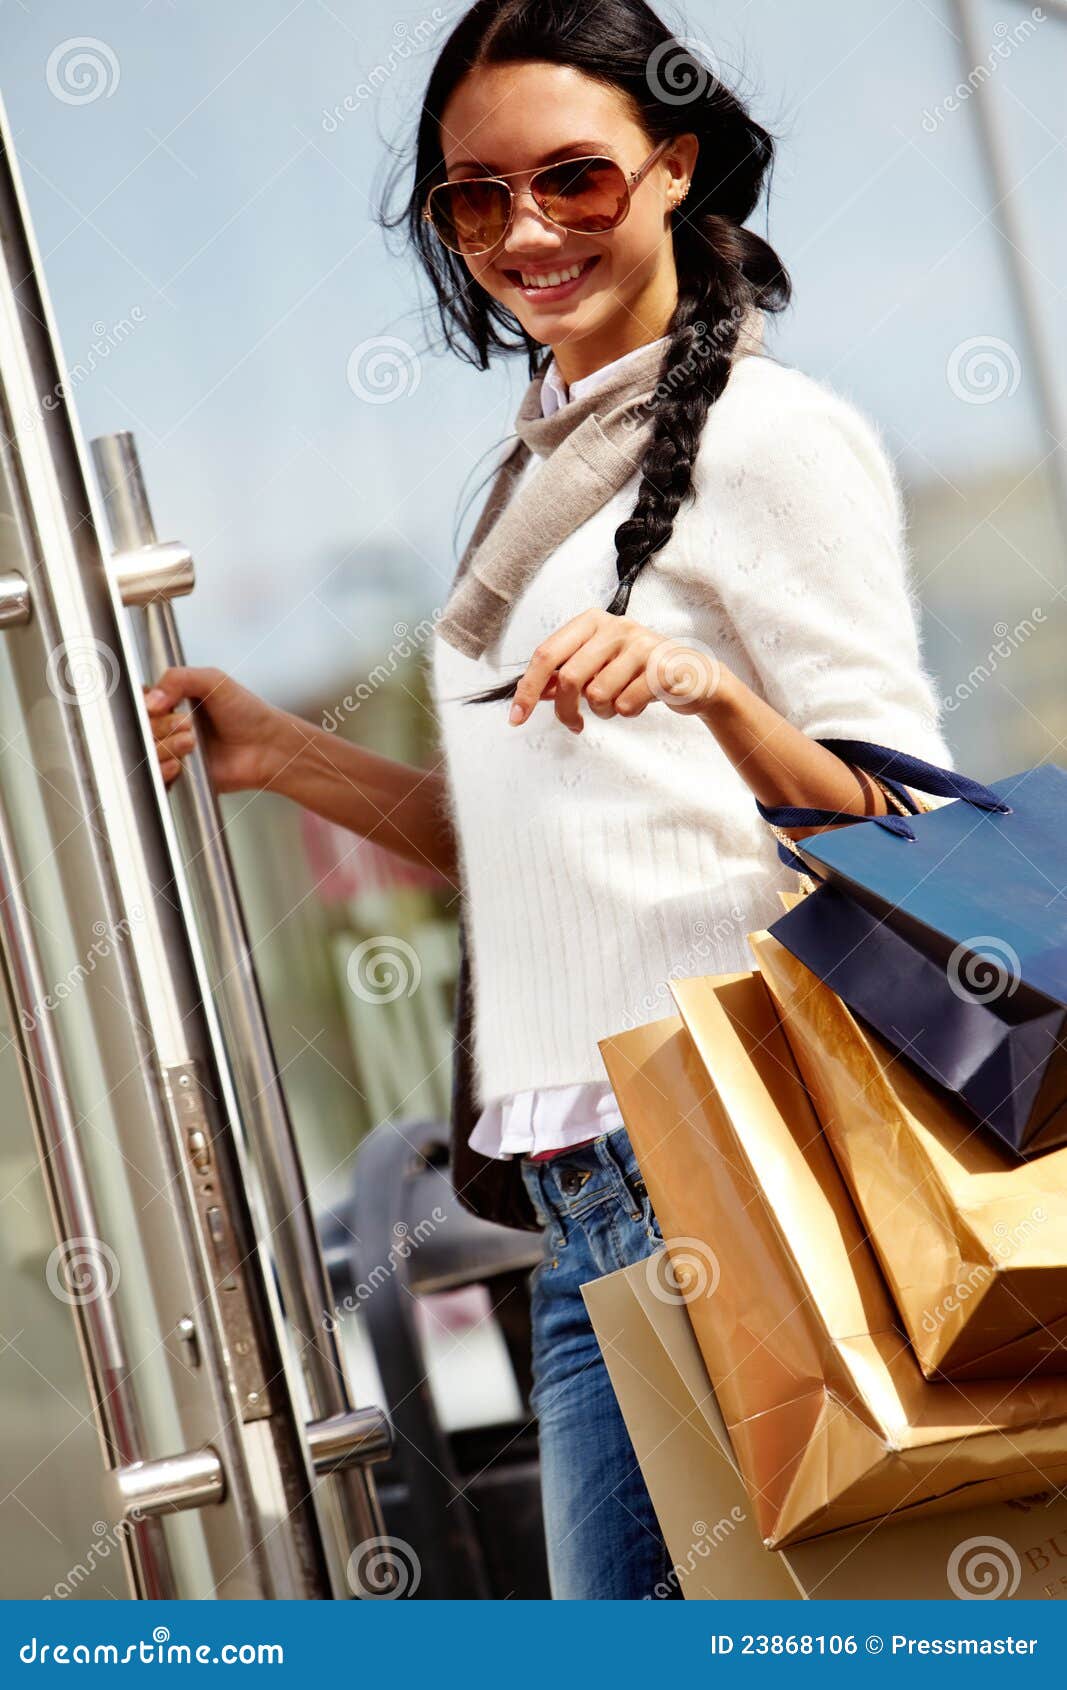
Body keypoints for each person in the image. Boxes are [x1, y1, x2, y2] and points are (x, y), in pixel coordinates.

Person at [145, 0, 954, 1600]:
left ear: (675, 166)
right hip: (580, 1206)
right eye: (475, 198)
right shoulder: (539, 479)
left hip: (726, 1169)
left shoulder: (771, 441)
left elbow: (904, 825)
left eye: (573, 178)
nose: (524, 234)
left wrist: (713, 696)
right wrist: (283, 751)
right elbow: (531, 857)